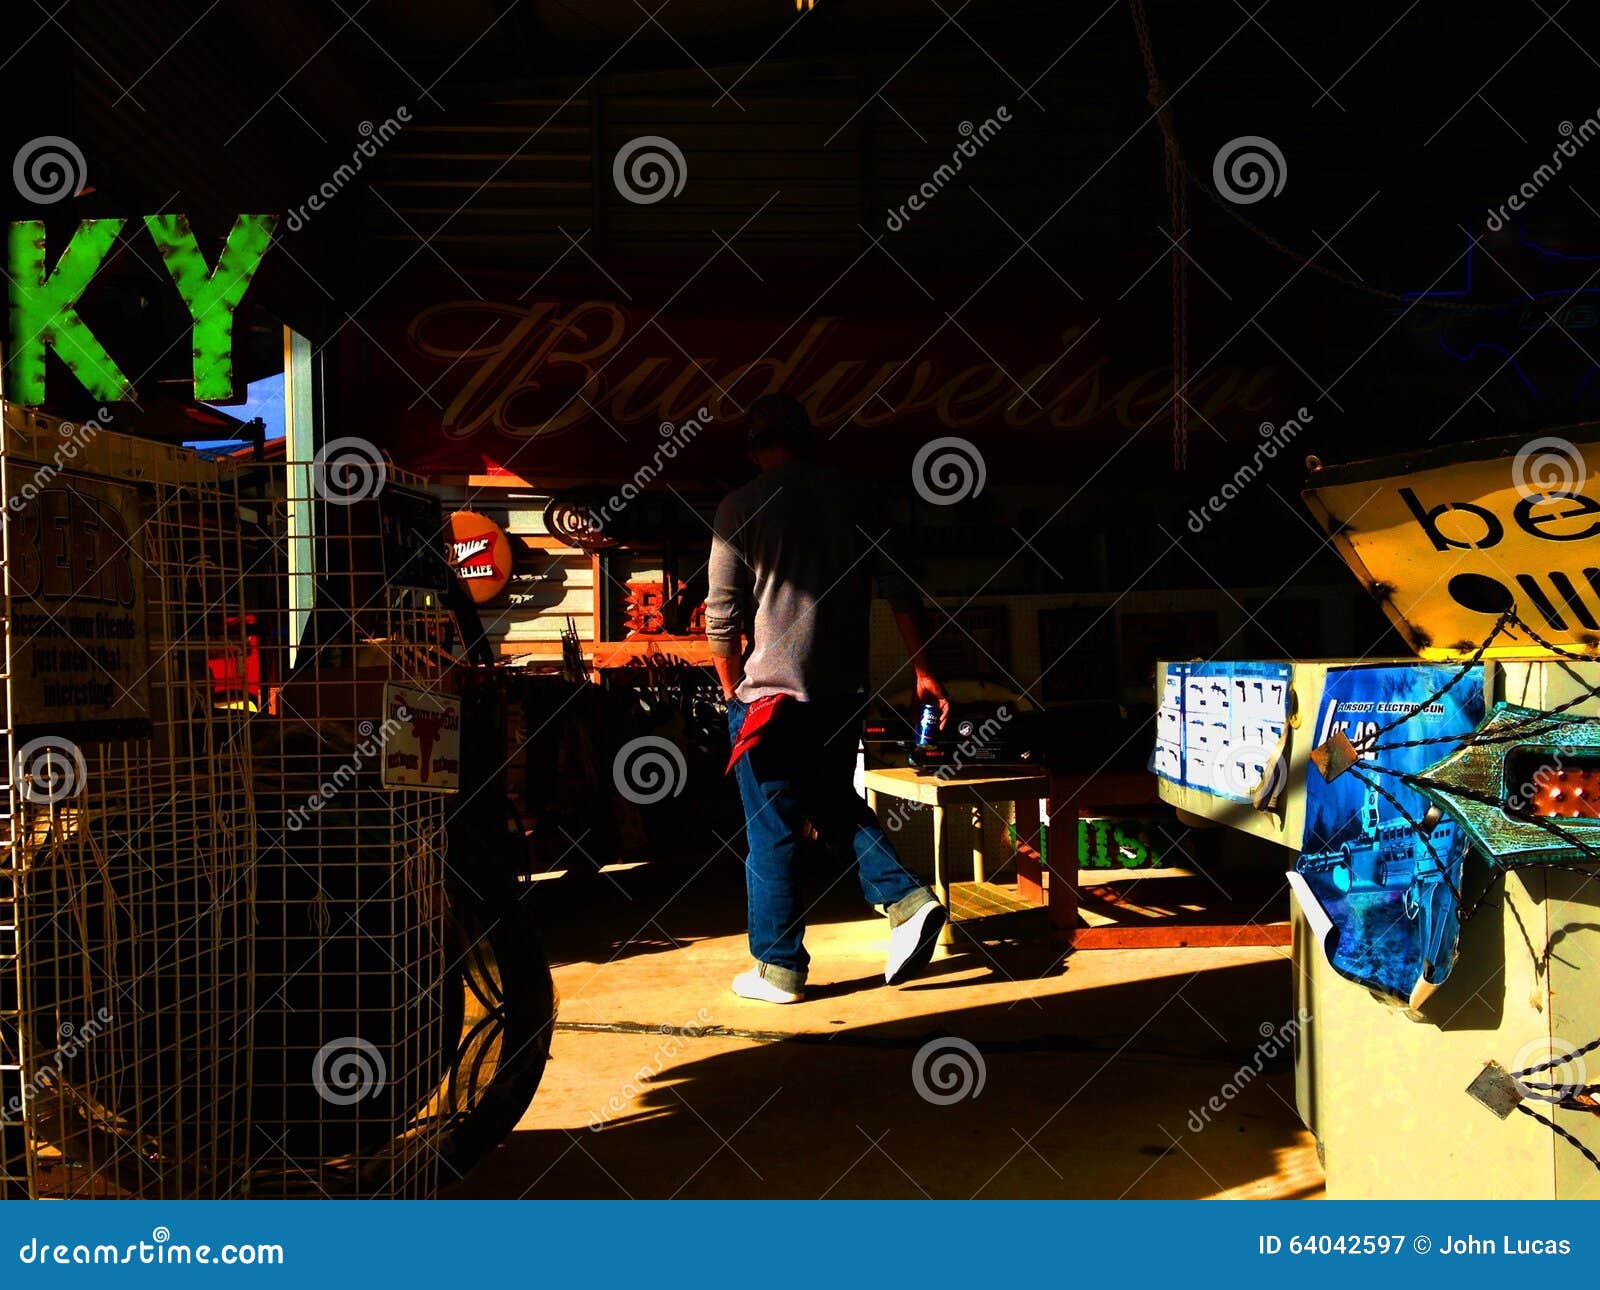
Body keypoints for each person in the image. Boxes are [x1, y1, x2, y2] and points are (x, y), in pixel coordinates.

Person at [706, 393, 951, 1004]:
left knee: (772, 830)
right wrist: (924, 670)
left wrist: (731, 690)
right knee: (832, 803)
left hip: (769, 698)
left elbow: (721, 619)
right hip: (842, 690)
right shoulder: (860, 499)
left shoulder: (738, 508)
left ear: (754, 448)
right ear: (809, 441)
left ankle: (779, 968)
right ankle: (906, 900)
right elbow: (900, 588)